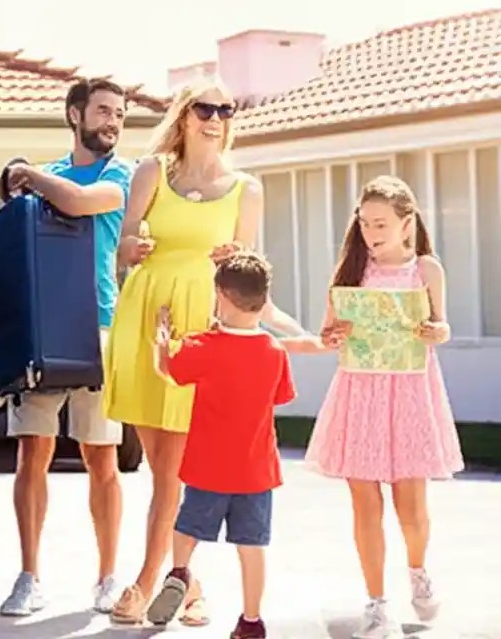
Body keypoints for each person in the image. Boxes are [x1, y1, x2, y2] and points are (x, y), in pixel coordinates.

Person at [100, 76, 310, 627]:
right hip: (149, 323)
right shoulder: (151, 172)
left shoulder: (248, 188)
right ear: (184, 115)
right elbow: (121, 246)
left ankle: (151, 582)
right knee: (159, 468)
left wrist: (285, 321)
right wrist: (133, 247)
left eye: (225, 109)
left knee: (176, 470)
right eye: (204, 108)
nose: (215, 117)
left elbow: (246, 272)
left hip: (205, 326)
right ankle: (188, 586)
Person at [0, 78, 133, 617]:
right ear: (75, 114)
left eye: (119, 114)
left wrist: (27, 175)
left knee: (103, 457)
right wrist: (32, 178)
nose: (113, 122)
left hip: (98, 326)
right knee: (34, 452)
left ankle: (107, 577)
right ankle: (29, 577)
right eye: (103, 111)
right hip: (41, 329)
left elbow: (77, 203)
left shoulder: (120, 174)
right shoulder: (48, 175)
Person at [304, 175, 464, 639]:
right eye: (365, 224)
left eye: (381, 224)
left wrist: (438, 331)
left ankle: (418, 570)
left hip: (412, 391)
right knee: (364, 501)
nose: (372, 233)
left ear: (406, 222)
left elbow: (443, 326)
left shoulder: (427, 269)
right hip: (360, 392)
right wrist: (333, 335)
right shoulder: (351, 272)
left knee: (410, 505)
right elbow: (327, 333)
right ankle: (376, 604)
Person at [146, 252, 323, 638]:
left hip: (207, 468)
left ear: (221, 296)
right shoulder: (274, 351)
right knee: (252, 546)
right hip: (256, 473)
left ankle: (179, 571)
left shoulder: (202, 346)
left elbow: (169, 373)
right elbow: (280, 396)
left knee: (187, 527)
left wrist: (162, 341)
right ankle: (252, 621)